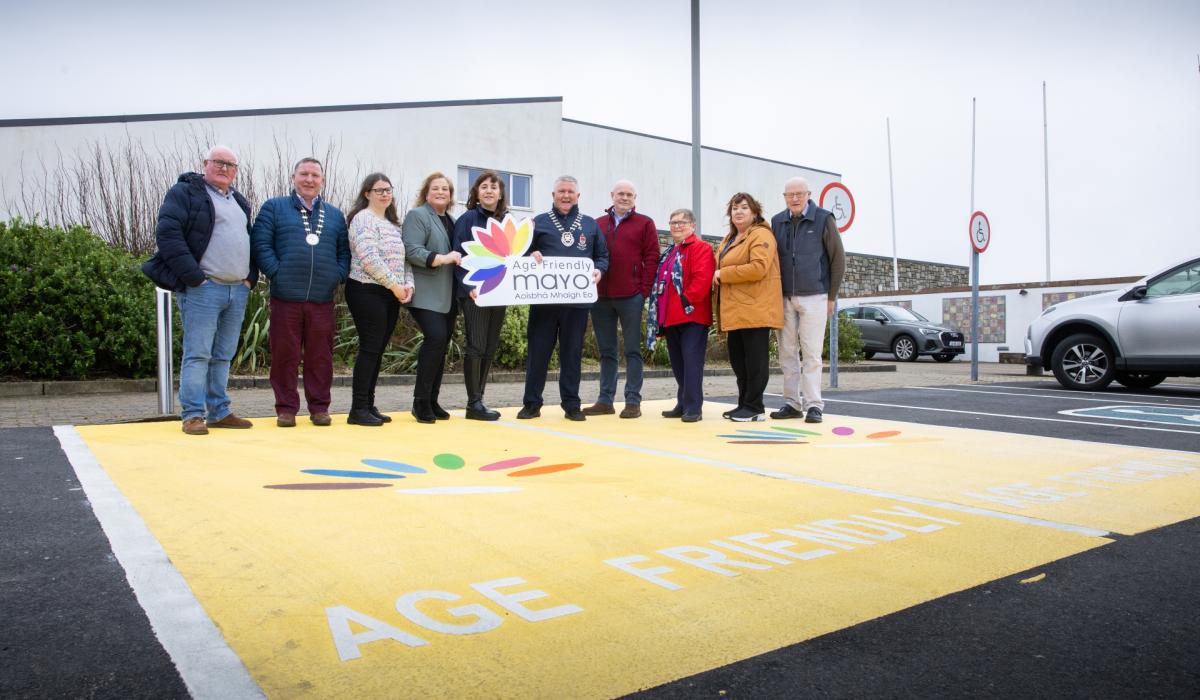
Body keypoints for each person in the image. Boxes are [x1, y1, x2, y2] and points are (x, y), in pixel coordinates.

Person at [142, 146, 258, 435]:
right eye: (218, 162)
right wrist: (195, 278)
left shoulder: (239, 201)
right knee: (198, 353)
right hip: (203, 289)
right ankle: (193, 414)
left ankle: (219, 411)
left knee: (223, 354)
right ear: (205, 164)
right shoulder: (184, 193)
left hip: (237, 289)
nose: (224, 168)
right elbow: (168, 235)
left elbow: (249, 240)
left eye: (231, 164)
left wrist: (250, 278)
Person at [251, 157, 349, 427]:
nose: (309, 179)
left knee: (321, 356)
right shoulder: (274, 207)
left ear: (322, 181)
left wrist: (336, 276)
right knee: (285, 354)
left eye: (315, 175)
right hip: (286, 297)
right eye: (304, 174)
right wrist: (276, 273)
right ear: (294, 177)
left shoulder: (335, 215)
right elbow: (261, 244)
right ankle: (286, 409)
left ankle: (319, 408)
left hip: (322, 298)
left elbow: (344, 252)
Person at [518, 176, 609, 421]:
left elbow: (602, 256)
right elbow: (519, 252)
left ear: (578, 196)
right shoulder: (537, 223)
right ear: (553, 195)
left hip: (576, 304)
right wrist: (530, 254)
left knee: (572, 354)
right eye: (561, 191)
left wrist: (599, 270)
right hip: (544, 303)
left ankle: (571, 405)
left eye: (570, 191)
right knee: (538, 354)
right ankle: (532, 404)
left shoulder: (590, 225)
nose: (566, 195)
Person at [769, 177, 845, 424]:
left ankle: (814, 405)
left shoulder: (824, 218)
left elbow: (838, 260)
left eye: (799, 194)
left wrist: (831, 296)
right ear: (784, 197)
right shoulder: (777, 221)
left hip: (815, 296)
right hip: (785, 297)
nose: (794, 198)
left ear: (808, 194)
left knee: (812, 354)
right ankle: (792, 403)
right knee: (787, 353)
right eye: (789, 194)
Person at [583, 180, 660, 419]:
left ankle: (633, 401)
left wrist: (643, 291)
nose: (624, 198)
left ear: (635, 198)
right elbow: (589, 255)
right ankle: (605, 400)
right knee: (607, 350)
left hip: (631, 296)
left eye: (629, 194)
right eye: (620, 194)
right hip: (601, 297)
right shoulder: (598, 224)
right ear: (612, 196)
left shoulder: (645, 223)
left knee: (632, 350)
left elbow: (652, 256)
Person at [344, 173, 413, 426]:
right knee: (370, 348)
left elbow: (404, 260)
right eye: (379, 190)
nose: (385, 194)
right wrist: (395, 286)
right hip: (366, 289)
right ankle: (357, 409)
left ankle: (369, 405)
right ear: (367, 194)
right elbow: (368, 257)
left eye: (388, 189)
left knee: (378, 350)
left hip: (390, 293)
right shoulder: (363, 219)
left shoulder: (394, 225)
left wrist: (408, 285)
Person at [713, 192, 783, 422]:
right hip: (734, 312)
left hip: (755, 309)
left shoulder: (762, 235)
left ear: (754, 212)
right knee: (739, 363)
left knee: (755, 363)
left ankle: (755, 407)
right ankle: (743, 404)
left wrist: (724, 274)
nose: (739, 212)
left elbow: (758, 268)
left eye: (744, 208)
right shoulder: (729, 239)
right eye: (734, 208)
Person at [402, 172, 461, 424]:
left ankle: (433, 400)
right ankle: (420, 402)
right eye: (435, 188)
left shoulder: (452, 220)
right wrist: (444, 258)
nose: (440, 192)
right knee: (435, 338)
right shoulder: (417, 216)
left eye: (445, 189)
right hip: (425, 293)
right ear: (426, 193)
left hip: (448, 296)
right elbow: (412, 250)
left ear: (450, 195)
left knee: (441, 345)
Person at [647, 208, 715, 422]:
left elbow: (702, 279)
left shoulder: (701, 248)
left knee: (691, 363)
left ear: (692, 226)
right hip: (669, 316)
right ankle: (683, 402)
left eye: (682, 222)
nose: (677, 226)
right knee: (678, 363)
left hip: (691, 316)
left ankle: (694, 407)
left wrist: (686, 299)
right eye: (673, 222)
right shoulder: (670, 251)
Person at [452, 171, 508, 421]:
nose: (488, 191)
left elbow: (514, 256)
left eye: (493, 187)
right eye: (483, 186)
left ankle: (480, 399)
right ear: (476, 192)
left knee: (489, 346)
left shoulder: (507, 221)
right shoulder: (467, 219)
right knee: (476, 345)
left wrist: (533, 256)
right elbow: (458, 256)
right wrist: (467, 287)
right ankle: (473, 403)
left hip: (499, 292)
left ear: (500, 193)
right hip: (474, 292)